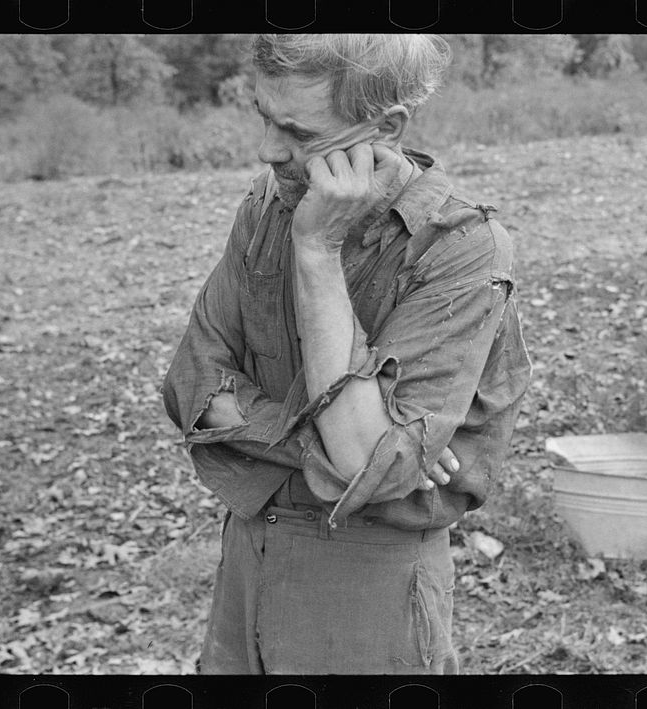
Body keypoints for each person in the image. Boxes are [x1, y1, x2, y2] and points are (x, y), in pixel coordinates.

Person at [162, 34, 531, 674]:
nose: (268, 150)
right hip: (248, 560)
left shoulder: (461, 249)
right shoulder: (267, 201)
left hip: (372, 581)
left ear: (384, 126)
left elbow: (361, 460)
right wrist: (350, 447)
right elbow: (191, 387)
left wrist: (316, 254)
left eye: (298, 132)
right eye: (264, 117)